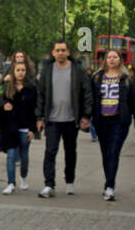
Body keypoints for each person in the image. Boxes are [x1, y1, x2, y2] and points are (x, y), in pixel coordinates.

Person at [35, 39, 93, 196]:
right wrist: (39, 117)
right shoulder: (47, 71)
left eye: (63, 50)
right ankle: (49, 184)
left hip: (71, 120)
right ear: (53, 53)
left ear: (68, 52)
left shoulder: (77, 70)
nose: (60, 53)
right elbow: (40, 95)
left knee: (70, 152)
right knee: (50, 152)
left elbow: (87, 93)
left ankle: (69, 180)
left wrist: (86, 115)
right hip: (52, 119)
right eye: (57, 50)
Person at [92, 49, 135, 201]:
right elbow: (91, 99)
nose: (112, 59)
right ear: (105, 60)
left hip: (119, 121)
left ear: (120, 60)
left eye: (115, 57)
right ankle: (108, 183)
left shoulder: (127, 79)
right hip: (102, 120)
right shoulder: (97, 77)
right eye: (109, 57)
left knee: (114, 152)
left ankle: (110, 187)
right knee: (105, 153)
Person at [0, 57, 37, 192]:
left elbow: (35, 110)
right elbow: (1, 103)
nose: (20, 72)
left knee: (24, 155)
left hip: (25, 127)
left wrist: (33, 129)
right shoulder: (8, 88)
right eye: (18, 70)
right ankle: (11, 183)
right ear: (13, 72)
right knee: (10, 155)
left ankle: (23, 177)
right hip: (10, 127)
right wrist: (4, 106)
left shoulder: (31, 89)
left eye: (23, 70)